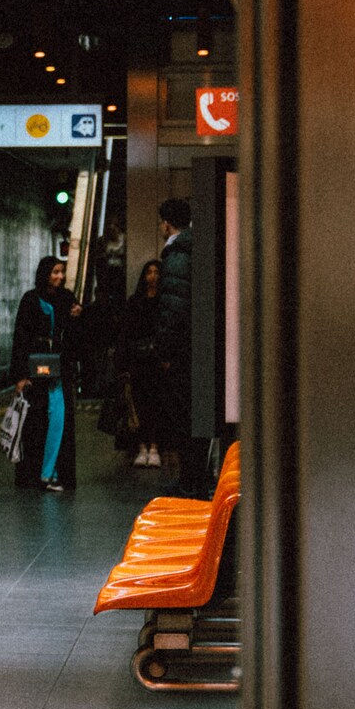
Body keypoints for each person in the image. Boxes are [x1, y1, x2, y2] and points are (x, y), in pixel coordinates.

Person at [11, 256, 81, 493]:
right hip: (35, 371)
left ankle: (51, 472)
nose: (60, 277)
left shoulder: (67, 299)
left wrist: (77, 318)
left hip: (59, 369)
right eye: (55, 272)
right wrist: (20, 376)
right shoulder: (30, 300)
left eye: (62, 272)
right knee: (36, 423)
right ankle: (38, 474)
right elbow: (21, 338)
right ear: (45, 275)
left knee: (58, 418)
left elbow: (76, 335)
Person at [151, 198, 205, 495]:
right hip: (197, 348)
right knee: (196, 418)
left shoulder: (177, 256)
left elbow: (173, 308)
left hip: (182, 352)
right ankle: (195, 477)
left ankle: (189, 481)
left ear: (166, 223)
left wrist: (165, 352)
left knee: (182, 417)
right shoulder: (197, 248)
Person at [117, 259, 164, 467]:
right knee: (139, 405)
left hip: (155, 360)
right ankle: (143, 447)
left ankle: (153, 446)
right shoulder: (135, 302)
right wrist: (123, 364)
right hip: (139, 360)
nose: (153, 276)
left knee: (156, 404)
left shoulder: (162, 301)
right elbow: (126, 334)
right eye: (149, 272)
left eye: (156, 272)